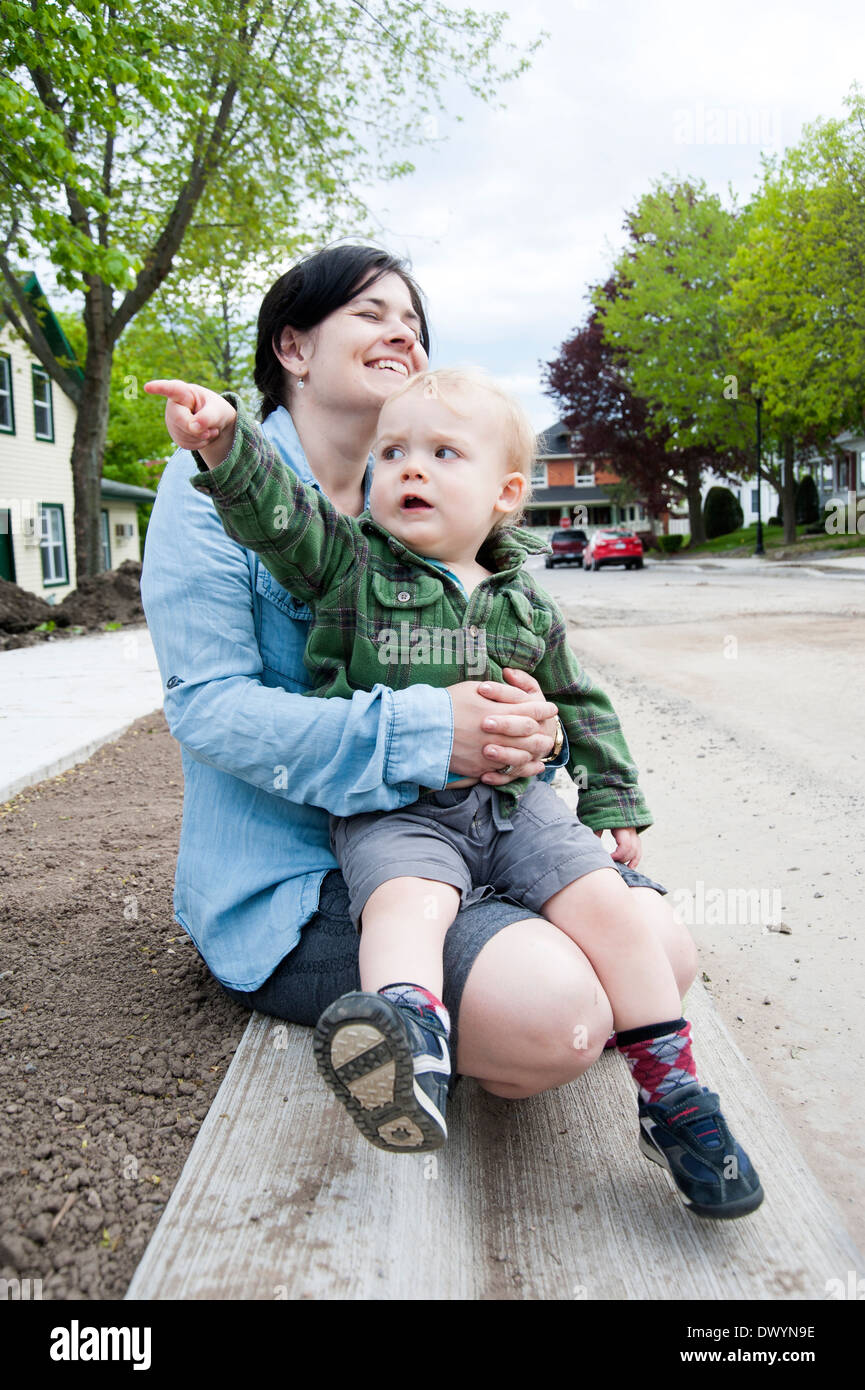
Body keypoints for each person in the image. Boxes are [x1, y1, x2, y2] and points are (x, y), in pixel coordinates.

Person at [147, 352, 762, 1219]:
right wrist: (225, 448)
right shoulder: (349, 565)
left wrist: (614, 800)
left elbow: (580, 702)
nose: (409, 468)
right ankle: (407, 1042)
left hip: (517, 808)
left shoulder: (523, 603)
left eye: (442, 454)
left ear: (506, 494)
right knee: (405, 905)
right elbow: (280, 523)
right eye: (392, 452)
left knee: (618, 910)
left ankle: (673, 1096)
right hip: (395, 811)